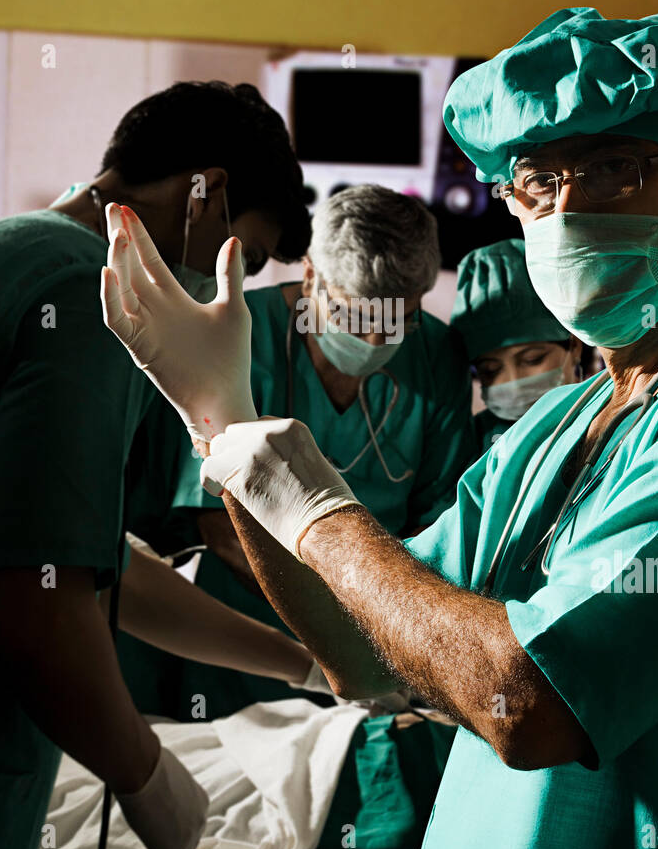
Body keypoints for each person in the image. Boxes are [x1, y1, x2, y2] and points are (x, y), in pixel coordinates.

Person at [101, 8, 658, 849]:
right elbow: (364, 656)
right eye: (539, 182)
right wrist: (227, 426)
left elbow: (527, 700)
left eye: (617, 168)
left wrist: (314, 506)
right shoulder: (551, 427)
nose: (569, 208)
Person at [0, 78, 311, 849]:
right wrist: (148, 777)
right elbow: (38, 610)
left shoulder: (7, 255)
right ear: (203, 192)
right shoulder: (84, 298)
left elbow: (92, 565)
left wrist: (303, 663)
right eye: (238, 256)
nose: (229, 292)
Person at [119, 183, 476, 720]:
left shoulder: (435, 354)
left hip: (393, 627)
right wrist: (345, 634)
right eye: (358, 320)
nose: (377, 344)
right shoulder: (236, 334)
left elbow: (441, 520)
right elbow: (220, 523)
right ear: (311, 275)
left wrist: (401, 634)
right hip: (248, 626)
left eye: (396, 323)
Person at [451, 239, 583, 452]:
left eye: (532, 359)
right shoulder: (470, 444)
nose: (514, 383)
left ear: (575, 346)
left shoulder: (615, 419)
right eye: (490, 370)